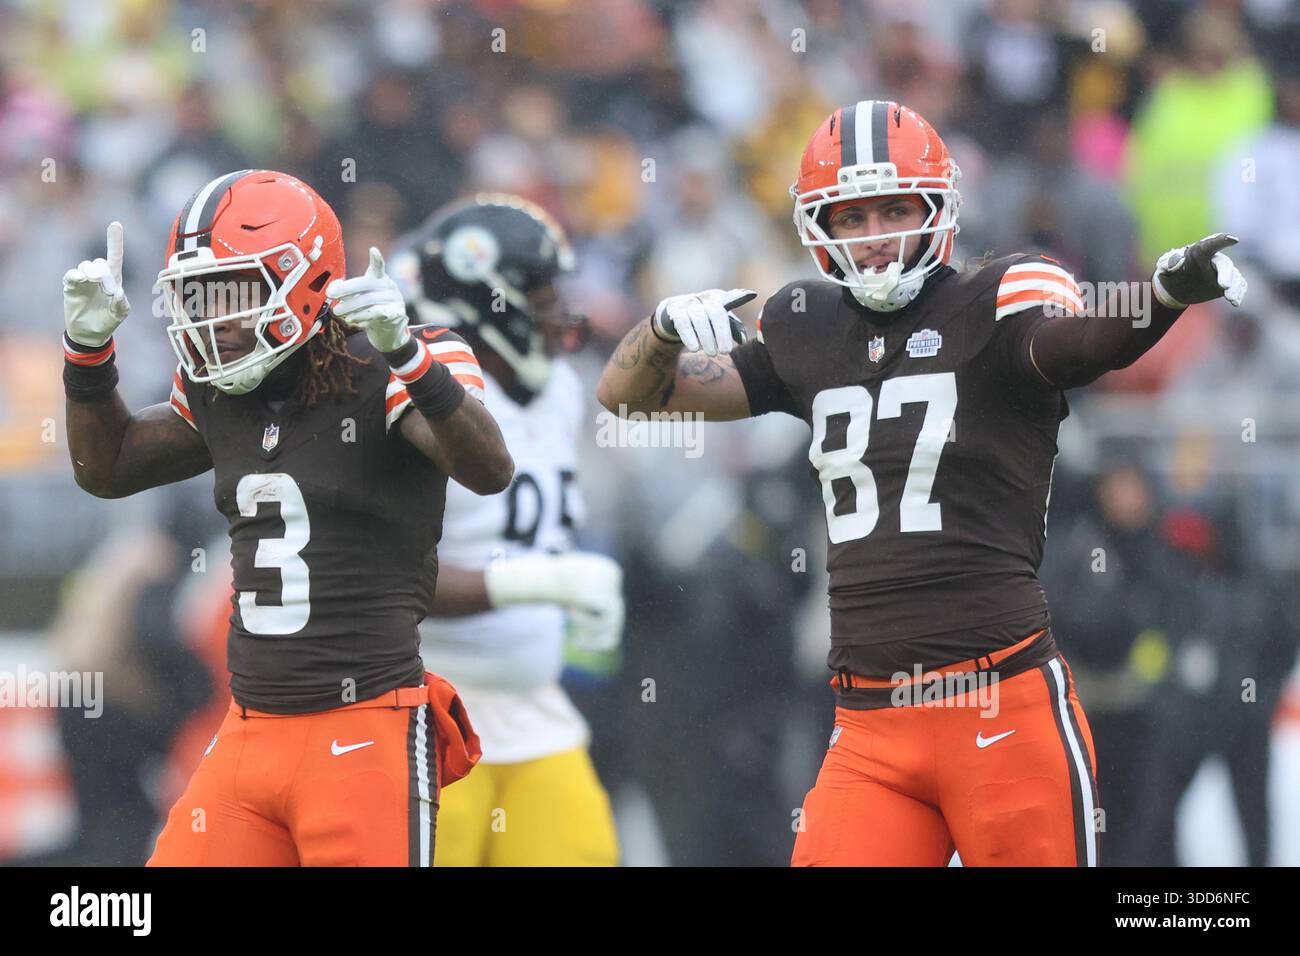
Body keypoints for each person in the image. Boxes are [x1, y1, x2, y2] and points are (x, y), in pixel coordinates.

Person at [596, 100, 1248, 866]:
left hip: (1002, 705)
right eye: (852, 216)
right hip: (870, 723)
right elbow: (629, 394)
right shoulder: (806, 323)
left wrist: (1160, 301)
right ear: (820, 228)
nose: (873, 236)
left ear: (938, 207)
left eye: (895, 209)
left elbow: (1078, 345)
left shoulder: (1000, 294)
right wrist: (662, 329)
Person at [61, 169, 514, 866]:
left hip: (365, 728)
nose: (215, 320)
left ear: (304, 278)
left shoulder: (393, 357)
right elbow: (108, 469)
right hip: (249, 731)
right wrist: (88, 358)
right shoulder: (218, 388)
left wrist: (406, 353)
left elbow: (487, 469)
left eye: (234, 293)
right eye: (198, 297)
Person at [392, 194, 622, 866]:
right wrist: (542, 581)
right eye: (541, 291)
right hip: (428, 712)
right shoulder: (412, 404)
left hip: (536, 709)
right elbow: (385, 573)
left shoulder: (561, 391)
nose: (558, 309)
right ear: (484, 300)